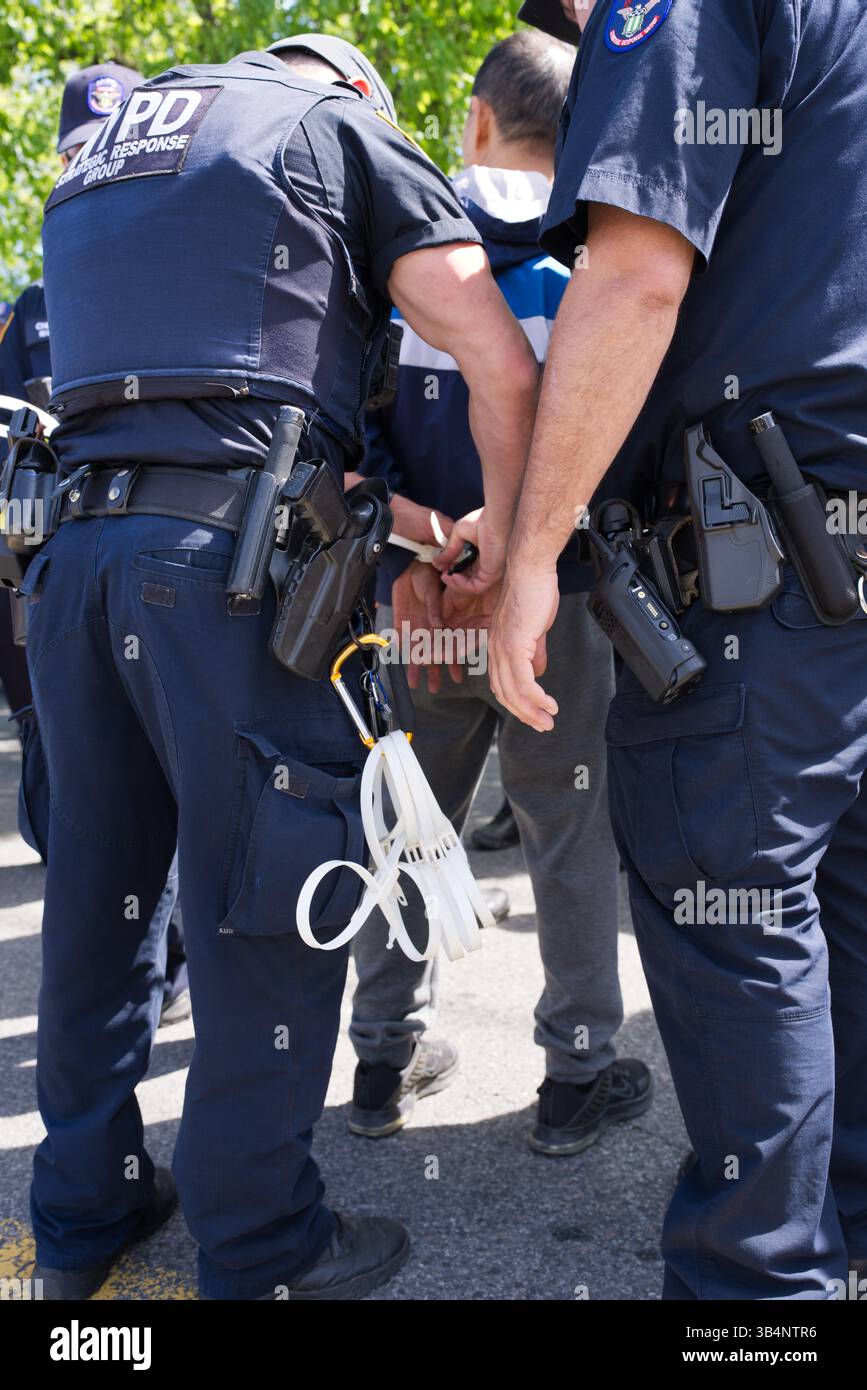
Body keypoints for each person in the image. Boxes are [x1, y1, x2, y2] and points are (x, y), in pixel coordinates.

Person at [27, 36, 538, 1301]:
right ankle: (260, 1245)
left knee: (102, 897)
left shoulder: (105, 154)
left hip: (73, 562)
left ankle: (83, 1211)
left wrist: (412, 528)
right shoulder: (339, 131)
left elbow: (217, 419)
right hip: (228, 581)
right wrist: (508, 549)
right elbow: (498, 358)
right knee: (275, 889)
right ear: (355, 84)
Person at [478, 0, 867, 1299]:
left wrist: (531, 553)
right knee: (837, 930)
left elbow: (633, 271)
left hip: (752, 573)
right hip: (831, 553)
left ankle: (758, 1297)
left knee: (739, 918)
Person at [349, 30, 651, 1153]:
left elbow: (343, 452)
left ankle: (381, 1057)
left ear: (473, 119)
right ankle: (575, 1073)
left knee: (408, 833)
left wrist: (431, 543)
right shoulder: (602, 266)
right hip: (554, 605)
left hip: (416, 604)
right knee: (568, 833)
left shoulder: (397, 267)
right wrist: (516, 539)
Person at [0, 61, 189, 1023]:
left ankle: (167, 971)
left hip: (155, 573)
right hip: (46, 577)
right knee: (69, 806)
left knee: (177, 791)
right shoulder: (30, 305)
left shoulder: (179, 281)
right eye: (83, 150)